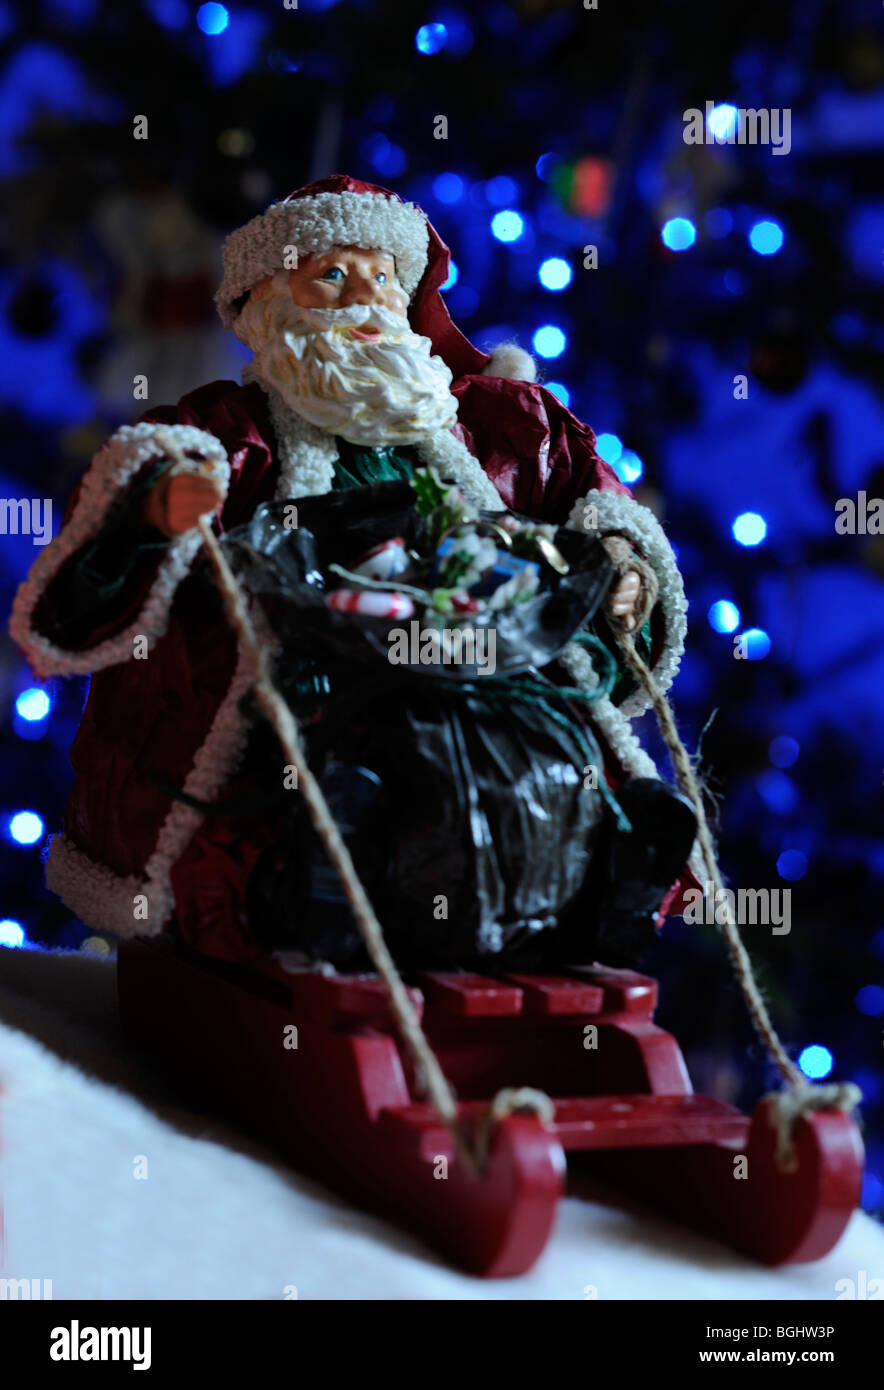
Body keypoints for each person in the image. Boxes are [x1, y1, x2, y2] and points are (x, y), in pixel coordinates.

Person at [10, 174, 696, 968]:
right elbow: (89, 588)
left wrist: (625, 566)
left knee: (547, 752)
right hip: (322, 687)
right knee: (340, 782)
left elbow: (601, 517)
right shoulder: (231, 437)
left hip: (485, 668)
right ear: (269, 304)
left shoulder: (497, 433)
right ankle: (324, 910)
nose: (364, 300)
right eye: (332, 276)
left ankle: (602, 880)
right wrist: (156, 513)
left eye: (381, 278)